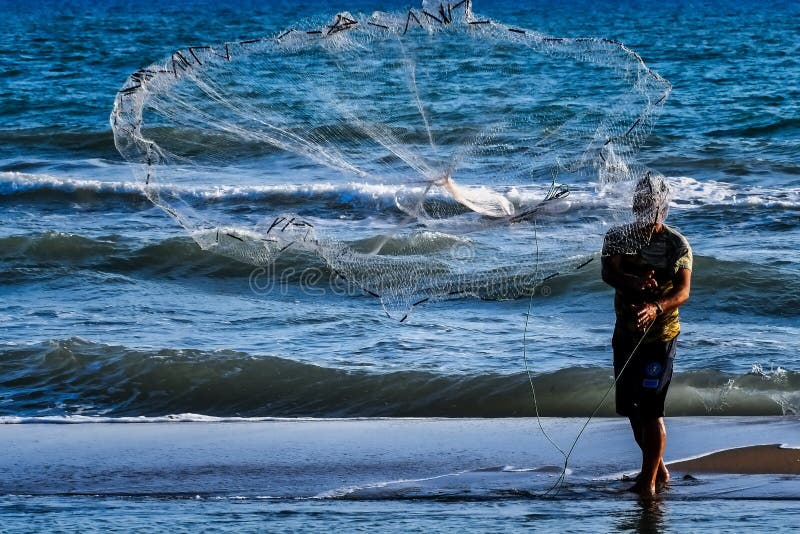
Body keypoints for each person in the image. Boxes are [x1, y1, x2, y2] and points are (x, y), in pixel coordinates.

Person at [601, 173, 692, 498]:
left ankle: (648, 482)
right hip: (624, 334)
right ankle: (659, 470)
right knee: (631, 410)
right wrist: (632, 282)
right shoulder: (617, 237)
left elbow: (683, 292)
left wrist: (656, 306)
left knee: (651, 411)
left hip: (660, 340)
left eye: (653, 205)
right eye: (642, 204)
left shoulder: (676, 245)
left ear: (663, 208)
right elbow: (608, 272)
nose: (647, 210)